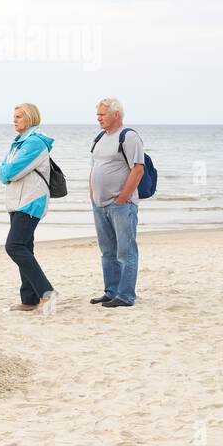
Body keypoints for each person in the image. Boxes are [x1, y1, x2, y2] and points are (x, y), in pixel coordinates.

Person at [0, 103, 57, 312]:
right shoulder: (18, 143)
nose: (14, 120)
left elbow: (8, 172)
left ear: (30, 118)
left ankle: (46, 292)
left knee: (14, 246)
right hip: (17, 202)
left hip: (31, 201)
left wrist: (5, 172)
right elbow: (2, 170)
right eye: (14, 116)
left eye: (19, 116)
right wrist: (5, 172)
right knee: (25, 247)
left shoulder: (34, 143)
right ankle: (29, 299)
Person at [89, 96, 146, 308]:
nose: (99, 118)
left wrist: (123, 197)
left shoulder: (129, 137)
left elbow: (138, 169)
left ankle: (125, 295)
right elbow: (94, 167)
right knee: (107, 252)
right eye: (98, 114)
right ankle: (111, 291)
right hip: (100, 204)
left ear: (116, 114)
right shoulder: (99, 138)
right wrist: (92, 194)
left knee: (126, 251)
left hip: (121, 205)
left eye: (102, 114)